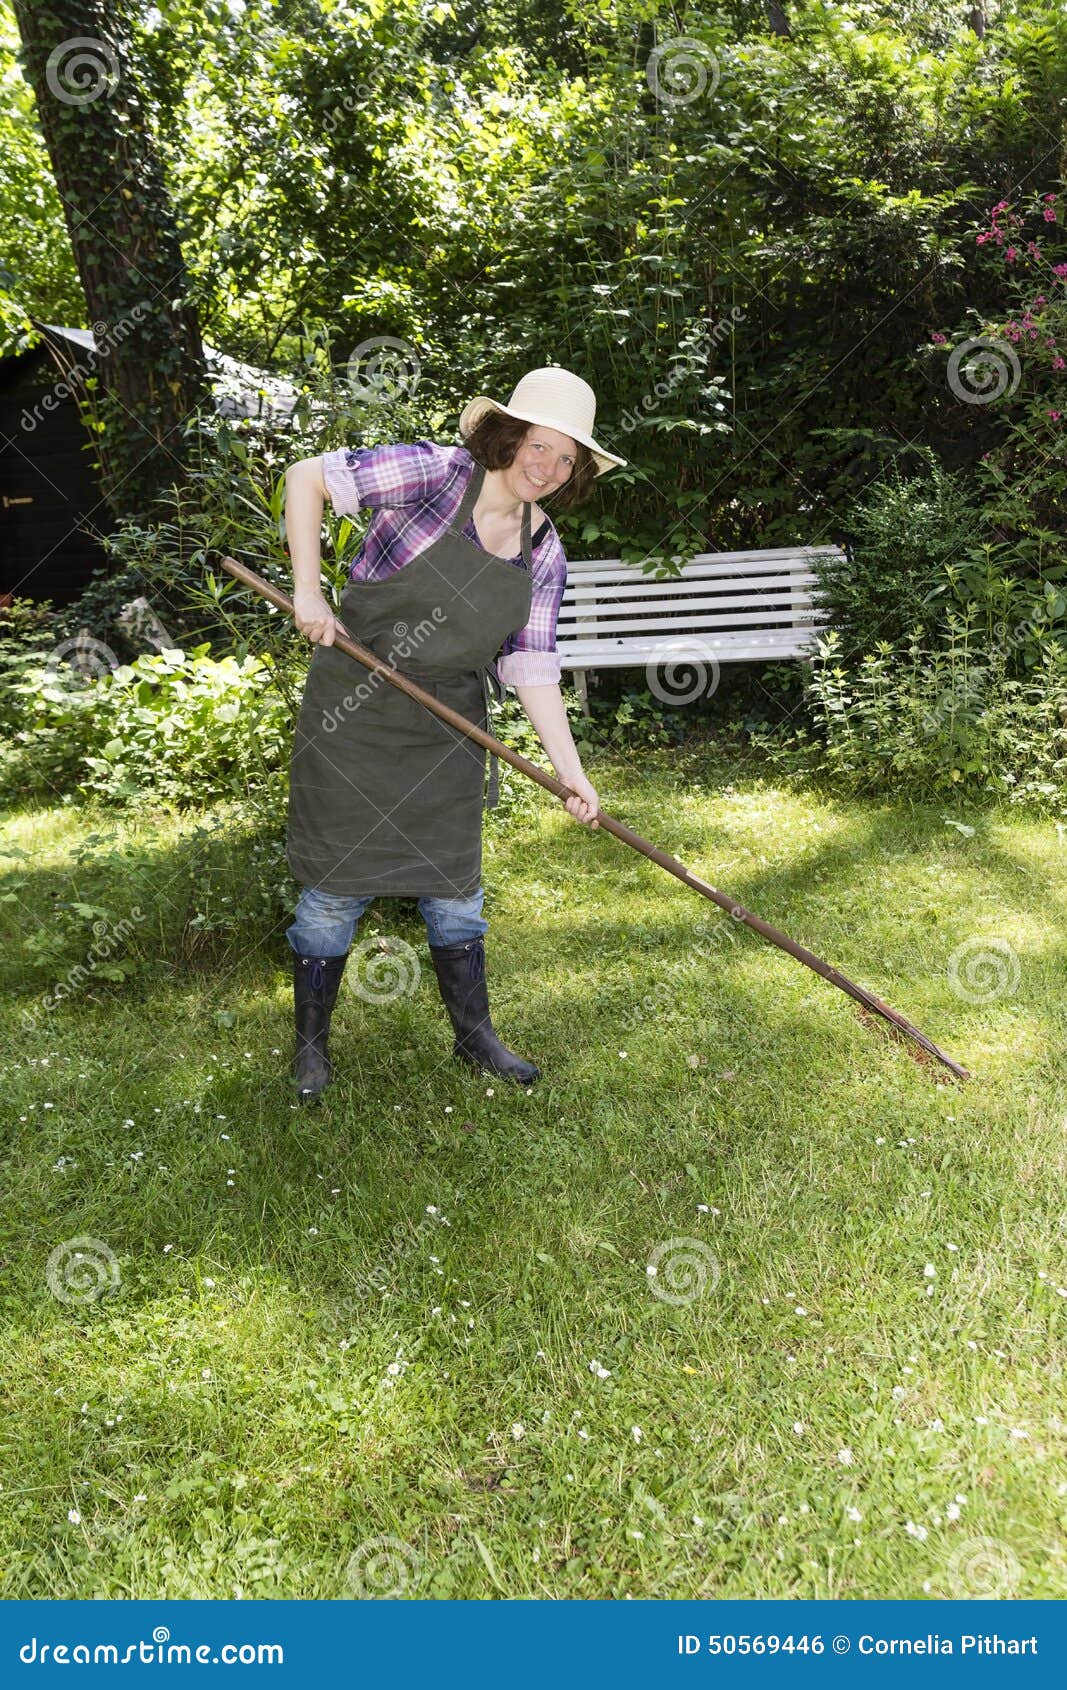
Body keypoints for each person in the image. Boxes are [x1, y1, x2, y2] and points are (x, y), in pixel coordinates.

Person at [282, 366, 626, 1101]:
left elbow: (530, 666)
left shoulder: (544, 551)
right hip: (356, 711)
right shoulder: (435, 474)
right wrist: (308, 593)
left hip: (448, 730)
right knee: (332, 894)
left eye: (566, 459)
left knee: (455, 894)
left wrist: (572, 772)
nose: (548, 468)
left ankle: (475, 1040)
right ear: (506, 435)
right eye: (539, 446)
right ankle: (311, 1050)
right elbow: (305, 476)